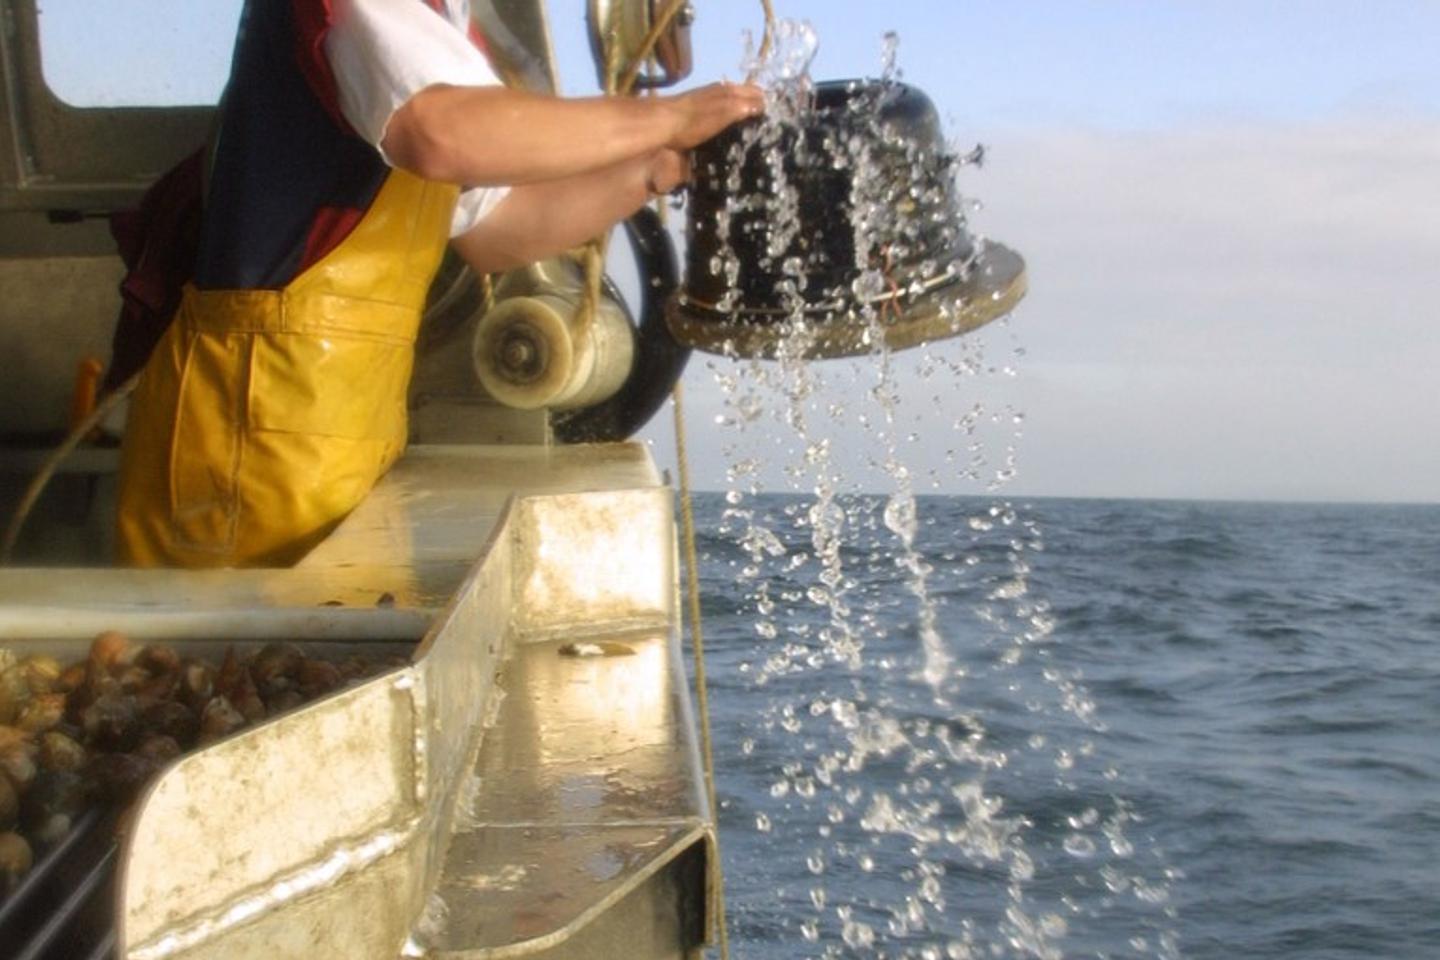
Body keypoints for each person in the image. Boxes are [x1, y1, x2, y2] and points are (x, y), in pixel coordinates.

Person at [113, 0, 763, 568]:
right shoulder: (371, 23)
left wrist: (657, 169)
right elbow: (436, 131)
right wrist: (671, 117)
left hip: (334, 452)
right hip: (239, 456)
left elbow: (493, 232)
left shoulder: (437, 30)